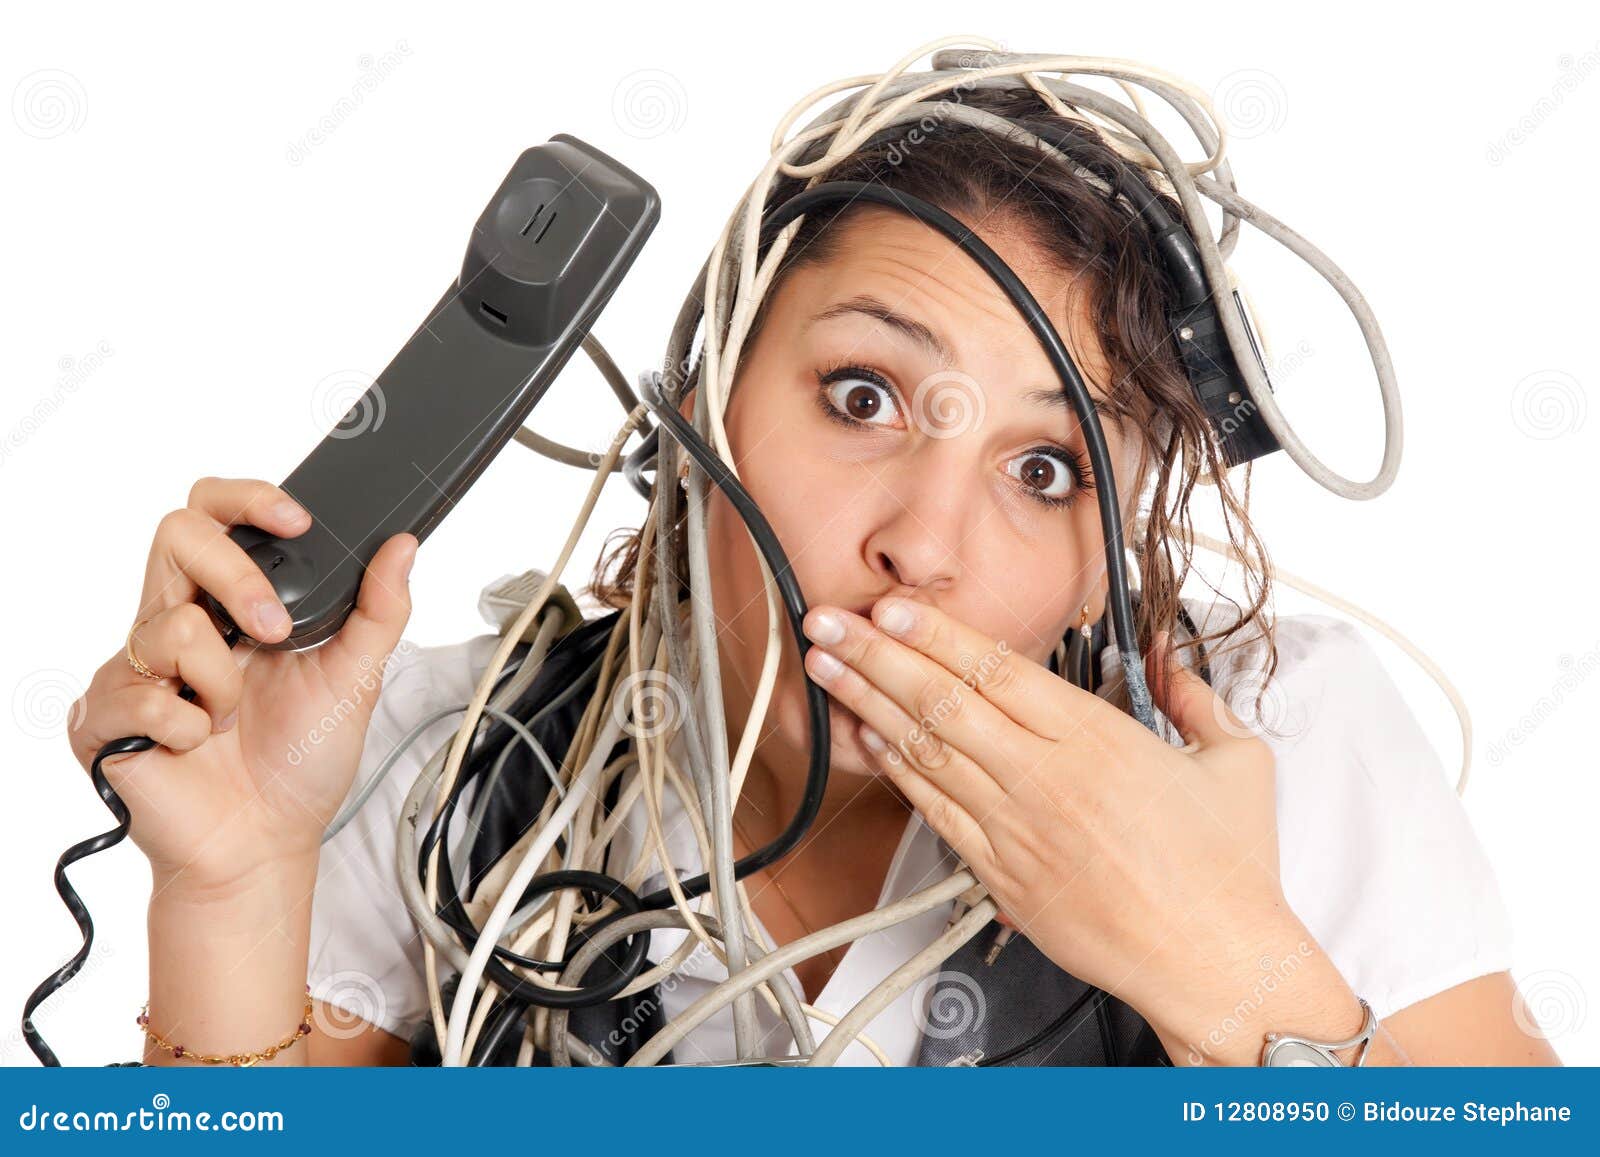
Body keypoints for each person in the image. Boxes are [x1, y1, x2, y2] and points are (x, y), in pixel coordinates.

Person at [68, 80, 1558, 1068]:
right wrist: (239, 882)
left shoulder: (1285, 744)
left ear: (1100, 566)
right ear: (702, 412)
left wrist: (1232, 970)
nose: (927, 541)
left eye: (1048, 469)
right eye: (864, 397)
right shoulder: (444, 759)